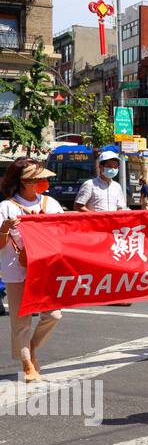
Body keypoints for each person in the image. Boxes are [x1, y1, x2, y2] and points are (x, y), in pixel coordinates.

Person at [0, 158, 64, 383]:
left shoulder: (51, 204)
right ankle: (27, 363)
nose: (43, 182)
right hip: (15, 270)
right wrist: (4, 229)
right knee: (21, 321)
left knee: (54, 314)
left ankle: (32, 347)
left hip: (45, 270)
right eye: (38, 179)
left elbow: (65, 233)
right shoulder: (6, 207)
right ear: (24, 182)